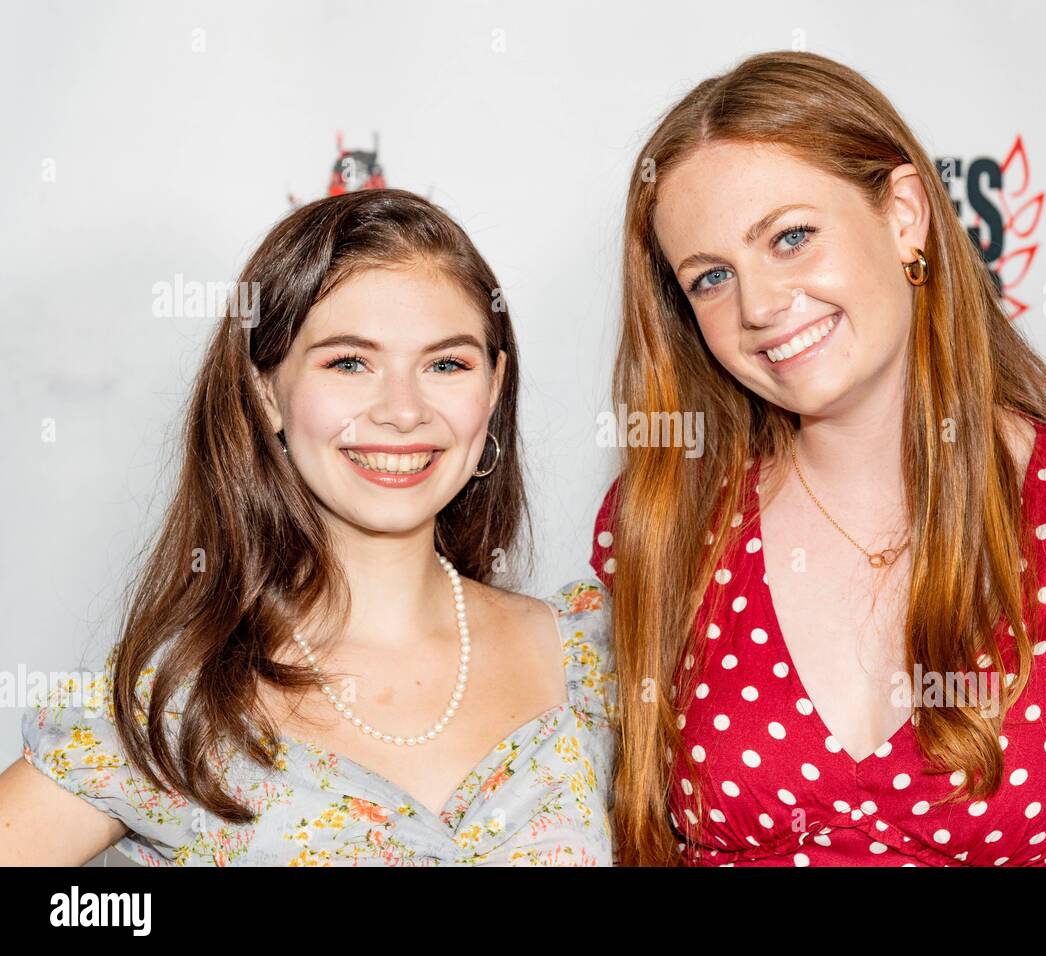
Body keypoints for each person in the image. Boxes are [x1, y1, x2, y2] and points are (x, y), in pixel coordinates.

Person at [591, 51, 1046, 866]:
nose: (757, 306)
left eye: (791, 238)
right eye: (712, 277)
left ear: (903, 216)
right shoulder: (666, 521)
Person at [0, 188, 616, 866]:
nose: (403, 411)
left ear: (493, 390)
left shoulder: (597, 656)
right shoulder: (173, 710)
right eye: (349, 362)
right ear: (268, 391)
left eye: (447, 364)